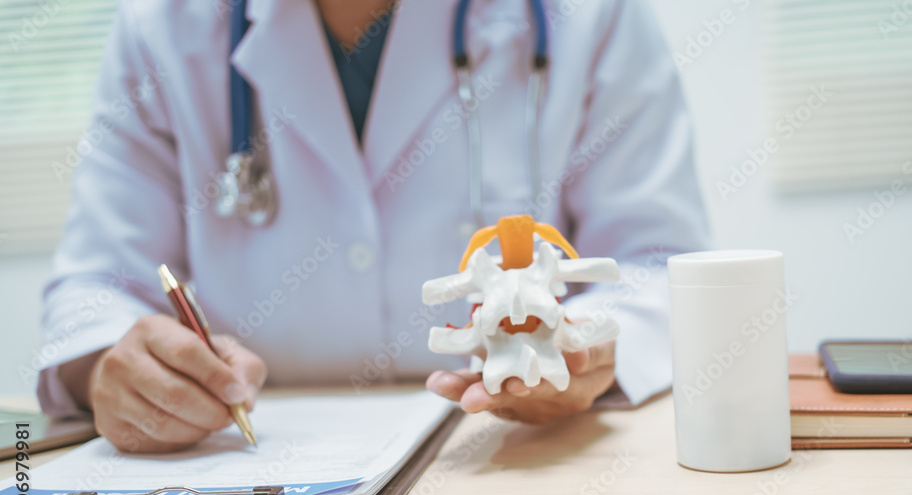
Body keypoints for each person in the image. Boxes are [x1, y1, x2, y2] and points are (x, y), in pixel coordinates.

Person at [38, 0, 710, 453]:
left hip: (515, 462)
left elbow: (663, 265)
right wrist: (111, 363)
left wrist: (591, 350)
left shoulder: (590, 17)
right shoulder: (162, 26)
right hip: (249, 472)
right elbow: (94, 289)